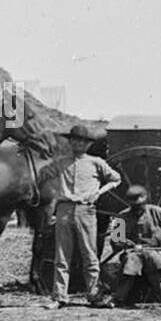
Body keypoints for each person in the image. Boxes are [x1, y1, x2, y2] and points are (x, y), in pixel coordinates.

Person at [44, 124, 121, 308]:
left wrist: (99, 192)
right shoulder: (60, 163)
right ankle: (59, 297)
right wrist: (55, 193)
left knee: (90, 255)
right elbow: (42, 176)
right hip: (63, 211)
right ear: (70, 142)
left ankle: (94, 295)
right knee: (62, 256)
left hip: (86, 211)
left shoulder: (96, 163)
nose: (79, 144)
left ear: (88, 145)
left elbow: (116, 179)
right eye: (75, 140)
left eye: (83, 141)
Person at [107, 185, 161, 309]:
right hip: (133, 252)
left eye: (140, 206)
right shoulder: (121, 217)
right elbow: (115, 242)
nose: (137, 209)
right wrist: (122, 242)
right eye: (134, 206)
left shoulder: (156, 211)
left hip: (154, 250)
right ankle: (118, 298)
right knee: (130, 263)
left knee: (155, 261)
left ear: (146, 201)